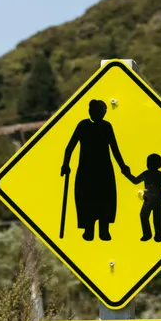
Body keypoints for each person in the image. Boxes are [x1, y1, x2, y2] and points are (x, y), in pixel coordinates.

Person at [61, 99, 131, 241]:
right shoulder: (83, 125)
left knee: (106, 199)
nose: (99, 114)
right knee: (86, 199)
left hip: (104, 171)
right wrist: (65, 164)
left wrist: (123, 166)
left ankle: (104, 230)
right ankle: (88, 230)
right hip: (86, 171)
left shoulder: (106, 126)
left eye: (102, 112)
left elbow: (114, 148)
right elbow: (70, 146)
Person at [126, 153, 161, 242]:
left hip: (155, 200)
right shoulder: (149, 174)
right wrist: (127, 174)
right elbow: (135, 181)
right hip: (150, 199)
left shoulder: (157, 174)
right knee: (146, 216)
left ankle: (156, 235)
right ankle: (149, 234)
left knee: (154, 217)